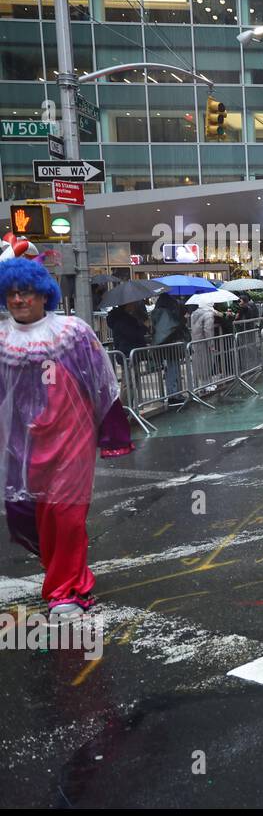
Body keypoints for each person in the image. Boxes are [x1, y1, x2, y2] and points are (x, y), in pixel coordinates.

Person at [0, 259, 133, 619]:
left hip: (72, 434)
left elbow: (102, 381)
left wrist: (112, 429)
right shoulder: (2, 340)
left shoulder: (72, 332)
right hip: (25, 443)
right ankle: (64, 576)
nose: (18, 299)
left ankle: (67, 589)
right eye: (11, 293)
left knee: (68, 514)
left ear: (43, 294)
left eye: (24, 291)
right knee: (39, 514)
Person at [149, 291, 189, 404]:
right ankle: (173, 394)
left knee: (170, 369)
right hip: (171, 344)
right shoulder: (167, 313)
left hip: (161, 345)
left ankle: (173, 393)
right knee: (173, 368)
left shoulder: (156, 312)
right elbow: (172, 327)